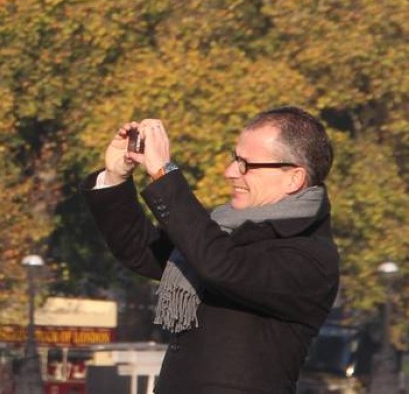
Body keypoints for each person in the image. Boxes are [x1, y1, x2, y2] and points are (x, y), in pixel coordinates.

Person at [82, 106, 339, 392]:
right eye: (234, 158)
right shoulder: (225, 232)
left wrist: (165, 174)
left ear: (294, 178)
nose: (230, 172)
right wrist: (116, 177)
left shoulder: (311, 256)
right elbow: (143, 251)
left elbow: (221, 266)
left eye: (245, 164)